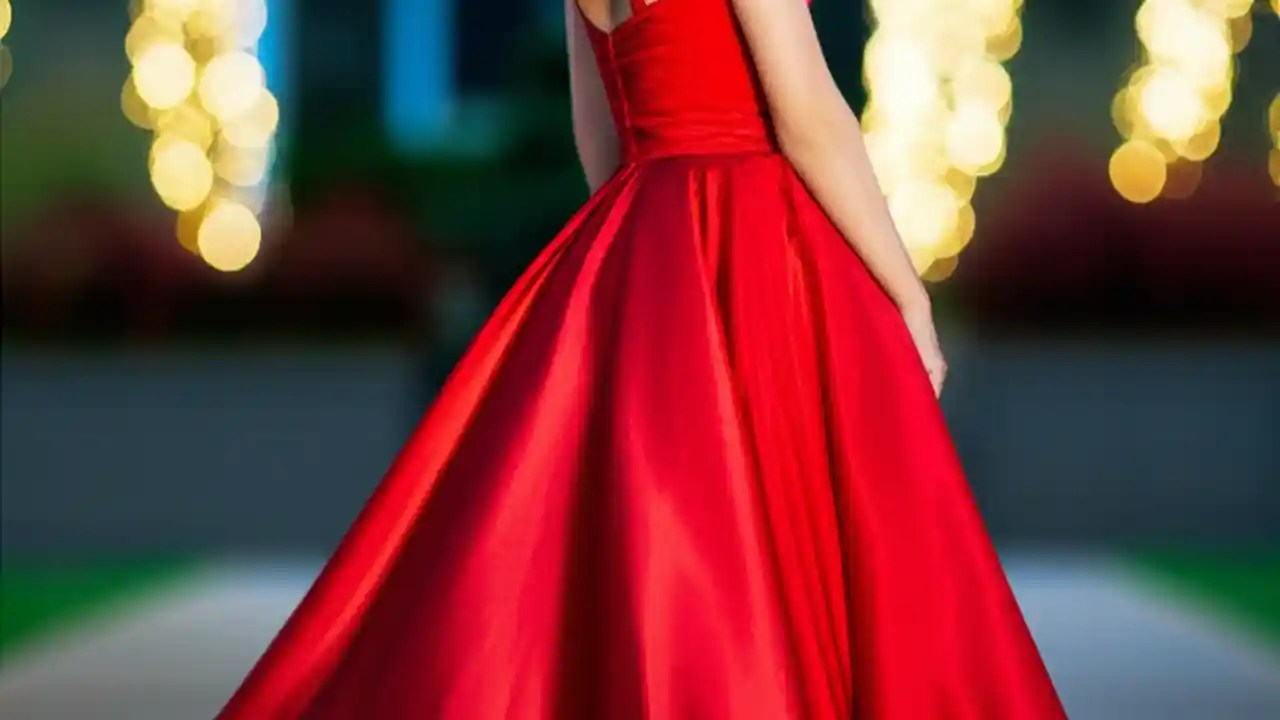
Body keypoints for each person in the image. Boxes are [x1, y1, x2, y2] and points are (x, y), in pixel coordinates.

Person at [218, 0, 1068, 717]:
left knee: (654, 552)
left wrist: (648, 264)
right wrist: (908, 294)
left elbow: (604, 146)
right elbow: (808, 114)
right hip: (762, 241)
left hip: (642, 238)